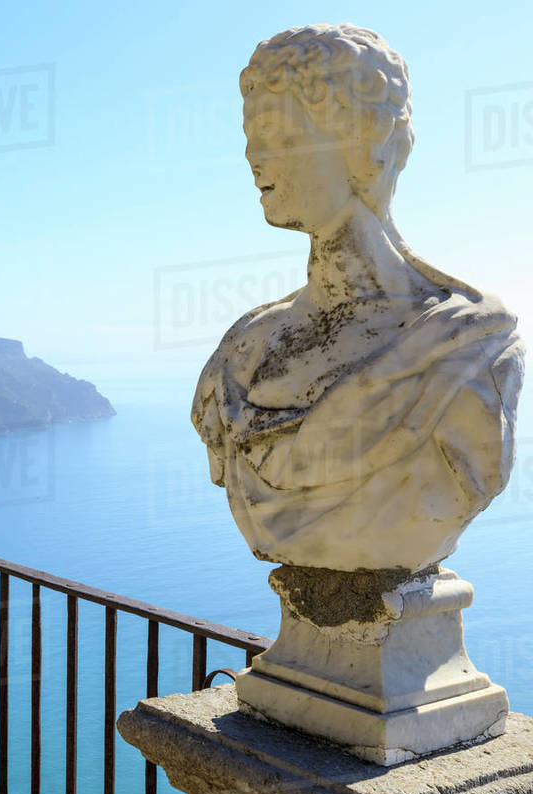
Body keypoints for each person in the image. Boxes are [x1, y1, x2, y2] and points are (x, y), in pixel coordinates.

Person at [191, 24, 524, 572]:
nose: (252, 154)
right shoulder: (245, 347)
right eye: (249, 133)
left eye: (277, 132)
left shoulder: (470, 344)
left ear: (358, 138)